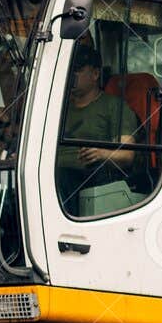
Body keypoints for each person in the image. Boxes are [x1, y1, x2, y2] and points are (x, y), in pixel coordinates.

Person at [56, 44, 139, 214]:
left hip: (95, 177)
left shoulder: (114, 106)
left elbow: (127, 155)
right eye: (70, 68)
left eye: (78, 69)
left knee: (57, 177)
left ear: (95, 74)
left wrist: (101, 153)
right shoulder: (57, 109)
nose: (72, 74)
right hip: (52, 174)